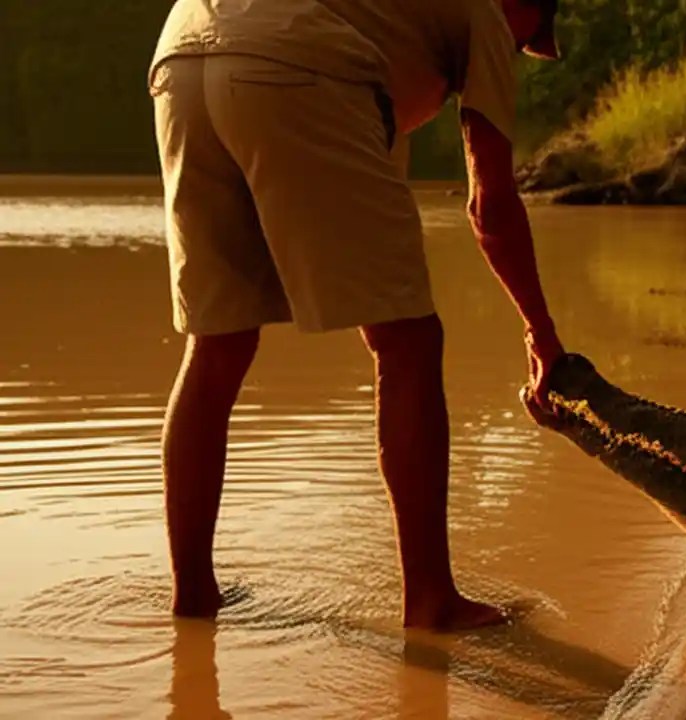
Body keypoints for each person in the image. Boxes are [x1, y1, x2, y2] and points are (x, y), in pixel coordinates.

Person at [147, 0, 566, 631]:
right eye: (528, 38)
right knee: (410, 343)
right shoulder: (489, 14)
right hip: (297, 57)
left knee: (216, 345)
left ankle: (193, 598)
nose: (515, 51)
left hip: (181, 54)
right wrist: (543, 335)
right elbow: (491, 205)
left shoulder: (390, 22)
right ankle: (431, 600)